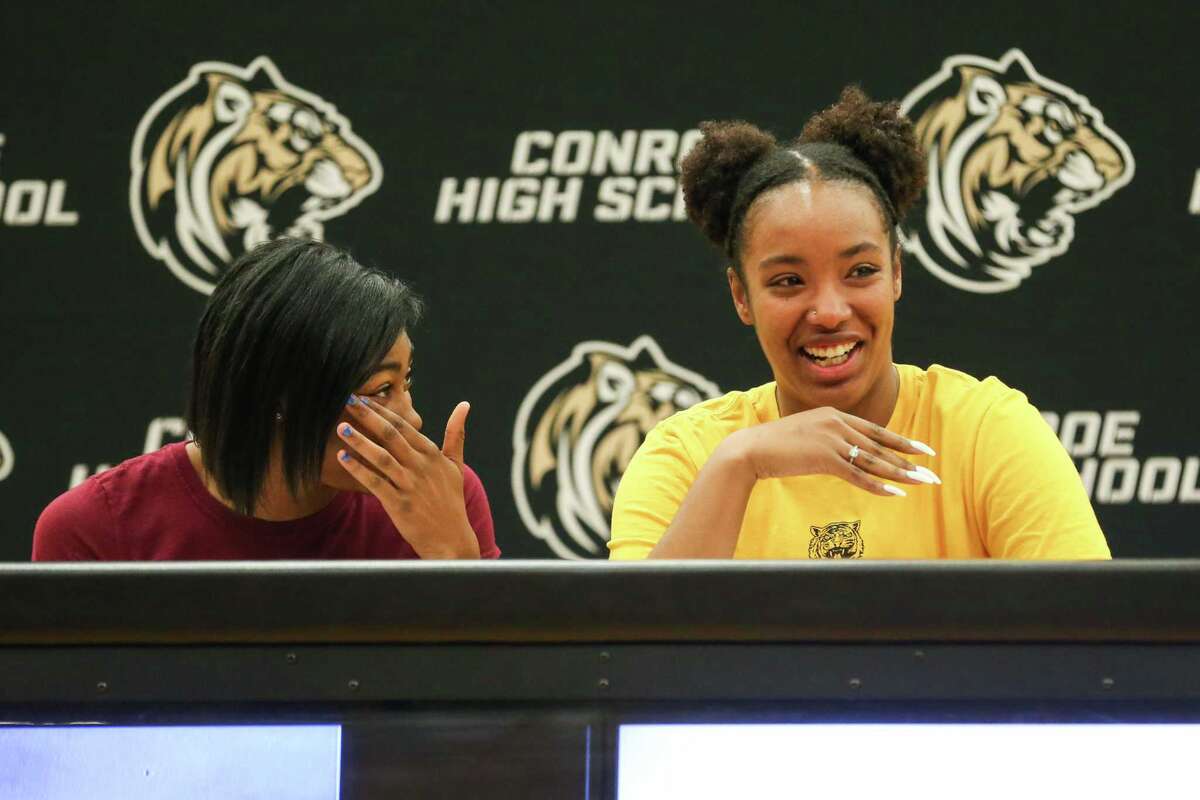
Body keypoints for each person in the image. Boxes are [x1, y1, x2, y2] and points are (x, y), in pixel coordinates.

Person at [608, 87, 1109, 560]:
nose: (828, 312)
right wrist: (739, 464)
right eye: (787, 281)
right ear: (741, 296)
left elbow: (1091, 639)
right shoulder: (687, 457)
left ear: (896, 272)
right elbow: (630, 648)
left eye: (860, 272)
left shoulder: (987, 432)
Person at [34, 237, 499, 560]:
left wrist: (453, 558)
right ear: (281, 397)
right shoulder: (95, 529)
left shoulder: (443, 499)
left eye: (407, 383)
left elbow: (495, 695)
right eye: (381, 391)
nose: (412, 419)